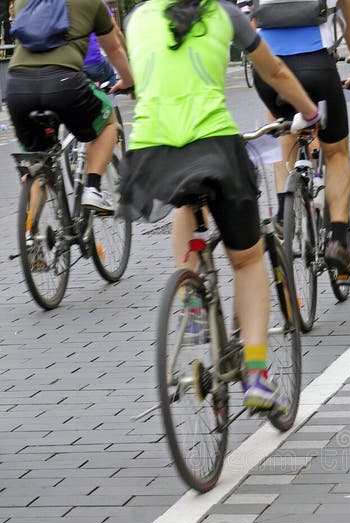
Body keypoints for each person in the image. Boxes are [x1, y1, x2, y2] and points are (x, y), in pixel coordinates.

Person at [121, 0, 320, 413]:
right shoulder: (225, 14)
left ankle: (191, 298)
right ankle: (257, 376)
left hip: (151, 152)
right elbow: (275, 72)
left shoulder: (135, 18)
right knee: (247, 260)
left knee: (186, 203)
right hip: (213, 146)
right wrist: (309, 112)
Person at [252, 0, 350, 284]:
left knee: (285, 129)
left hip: (268, 70)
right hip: (316, 67)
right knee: (337, 154)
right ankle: (338, 242)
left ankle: (283, 212)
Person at [6, 0, 134, 213]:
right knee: (108, 121)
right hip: (64, 83)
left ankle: (30, 229)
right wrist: (129, 81)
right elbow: (114, 50)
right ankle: (92, 188)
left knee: (36, 160)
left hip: (18, 87)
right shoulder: (92, 3)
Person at [83, 3, 127, 89]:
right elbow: (116, 33)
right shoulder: (97, 3)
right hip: (94, 61)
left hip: (69, 67)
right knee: (110, 75)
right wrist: (127, 56)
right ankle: (111, 94)